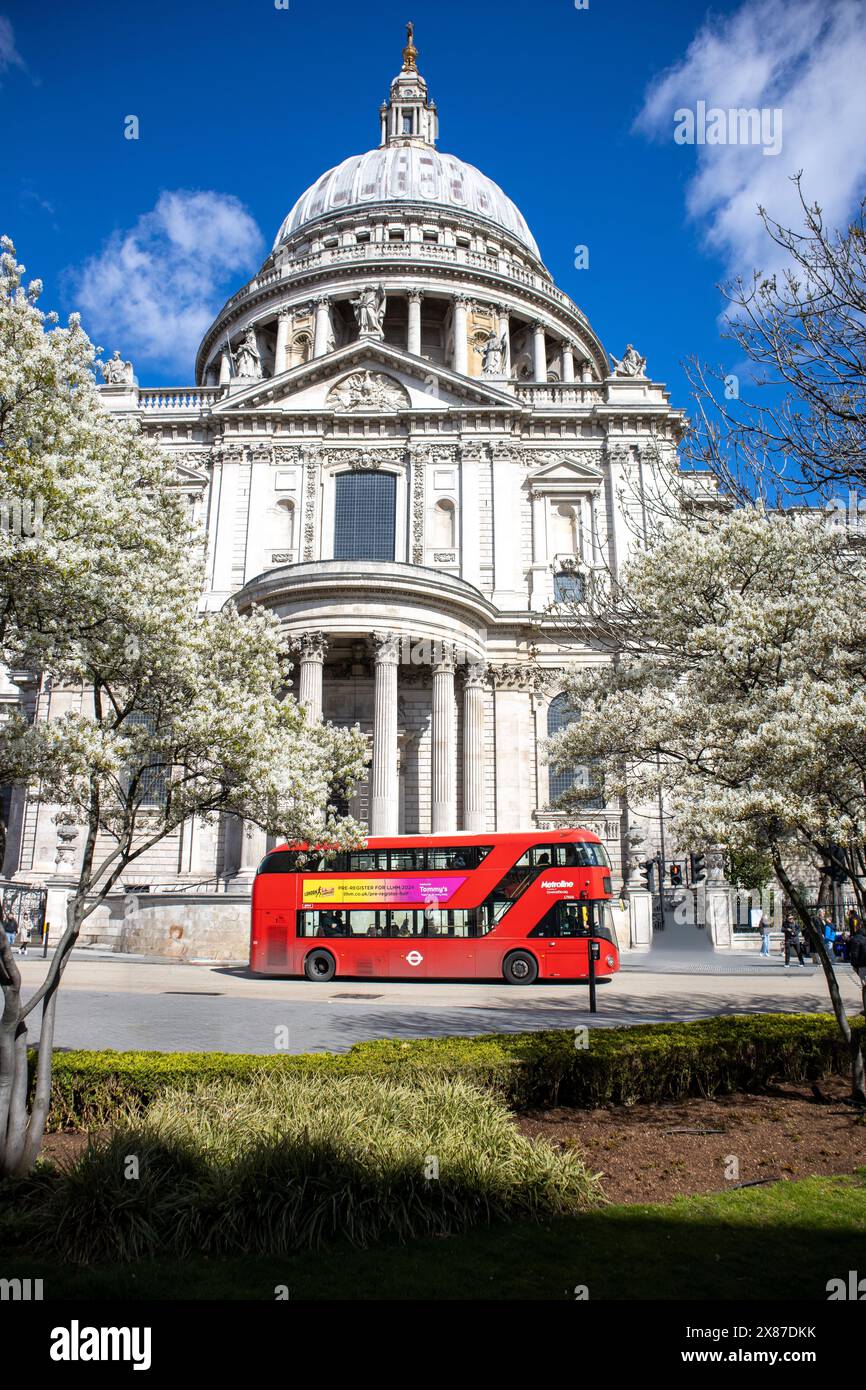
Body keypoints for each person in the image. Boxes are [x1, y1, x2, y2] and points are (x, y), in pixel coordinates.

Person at [849, 918, 866, 1006]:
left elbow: (854, 954)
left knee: (865, 986)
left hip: (863, 965)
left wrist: (855, 966)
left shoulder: (857, 938)